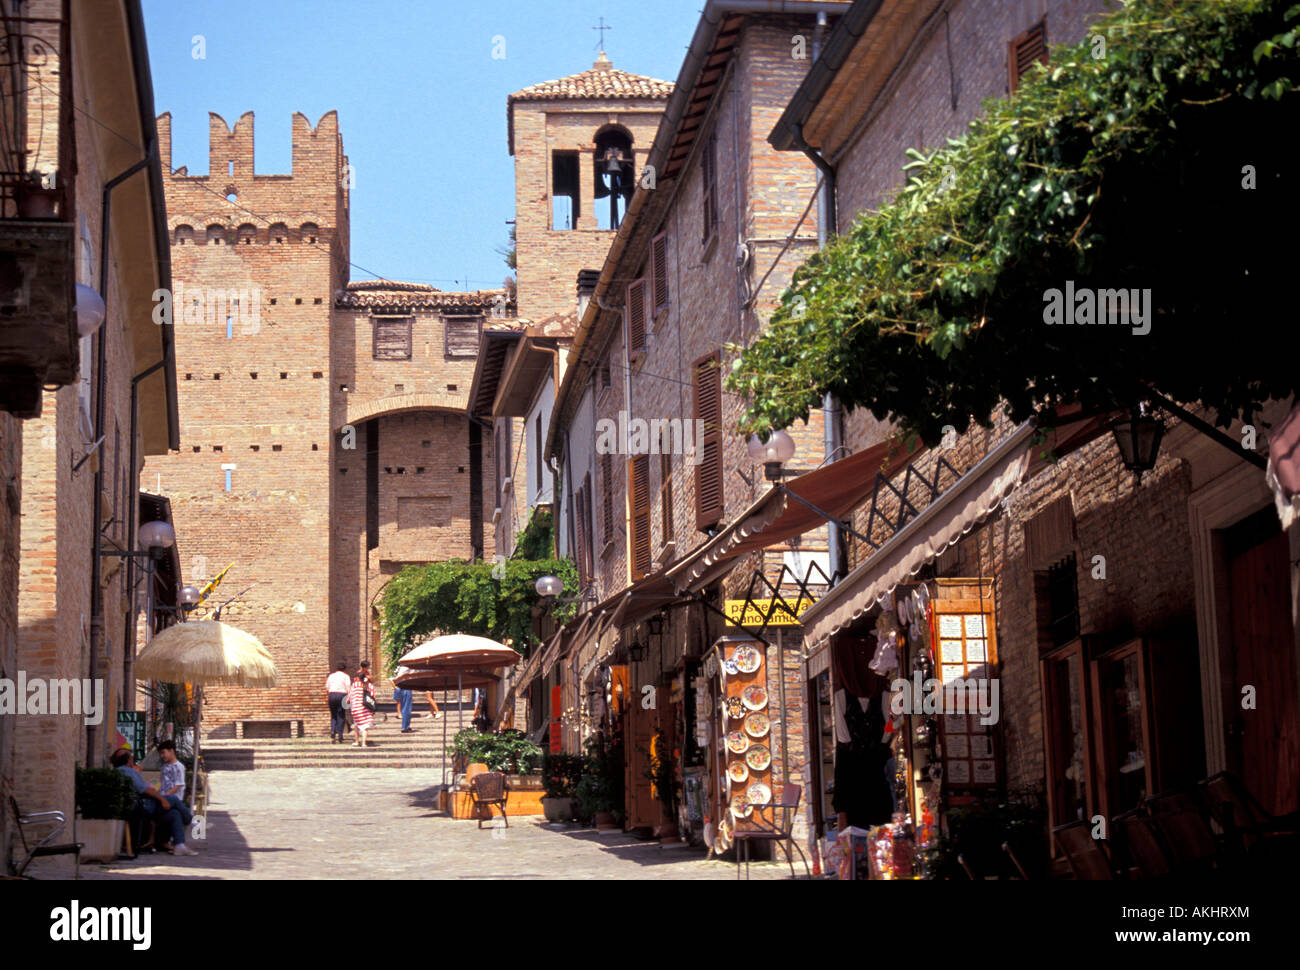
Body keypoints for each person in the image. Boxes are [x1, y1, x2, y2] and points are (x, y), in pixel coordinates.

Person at [111, 747, 197, 856]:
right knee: (173, 800)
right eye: (131, 757)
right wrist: (162, 800)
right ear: (129, 760)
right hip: (141, 806)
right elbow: (145, 789)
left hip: (137, 805)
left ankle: (179, 845)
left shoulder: (118, 771)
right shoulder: (128, 771)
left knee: (174, 814)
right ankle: (189, 820)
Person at [349, 668, 375, 746]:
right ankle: (364, 743)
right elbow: (373, 696)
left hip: (355, 708)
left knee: (356, 725)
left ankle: (356, 742)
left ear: (357, 678)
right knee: (365, 727)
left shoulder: (355, 685)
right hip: (365, 708)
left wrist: (348, 702)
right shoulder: (369, 685)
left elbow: (350, 695)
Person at [326, 662, 351, 743]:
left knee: (333, 715)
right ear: (344, 669)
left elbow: (327, 687)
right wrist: (349, 697)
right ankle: (340, 734)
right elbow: (348, 687)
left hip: (332, 695)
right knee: (341, 715)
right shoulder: (346, 676)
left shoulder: (331, 676)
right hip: (342, 695)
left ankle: (333, 730)